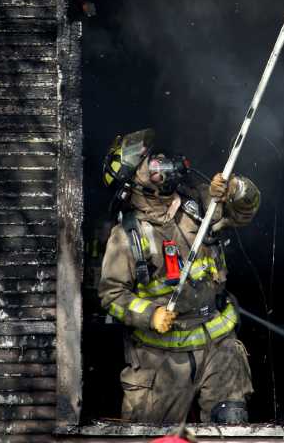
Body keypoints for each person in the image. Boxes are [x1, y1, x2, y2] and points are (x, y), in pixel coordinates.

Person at [99, 128, 260, 426]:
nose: (159, 162)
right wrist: (150, 314)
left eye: (156, 156)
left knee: (232, 427)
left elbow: (247, 209)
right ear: (134, 183)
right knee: (155, 436)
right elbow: (112, 295)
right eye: (149, 163)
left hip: (218, 348)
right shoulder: (126, 237)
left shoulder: (199, 202)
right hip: (159, 362)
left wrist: (234, 189)